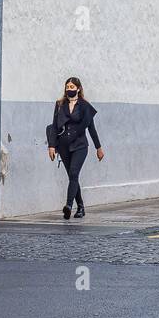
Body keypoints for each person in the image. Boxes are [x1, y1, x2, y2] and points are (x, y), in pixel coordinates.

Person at [46, 77, 104, 220]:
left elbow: (91, 128)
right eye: (67, 87)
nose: (69, 89)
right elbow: (54, 126)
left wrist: (98, 147)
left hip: (80, 146)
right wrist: (52, 146)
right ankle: (81, 207)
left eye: (72, 87)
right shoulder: (59, 105)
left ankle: (69, 206)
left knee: (73, 173)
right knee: (73, 177)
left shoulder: (85, 107)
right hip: (63, 146)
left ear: (78, 89)